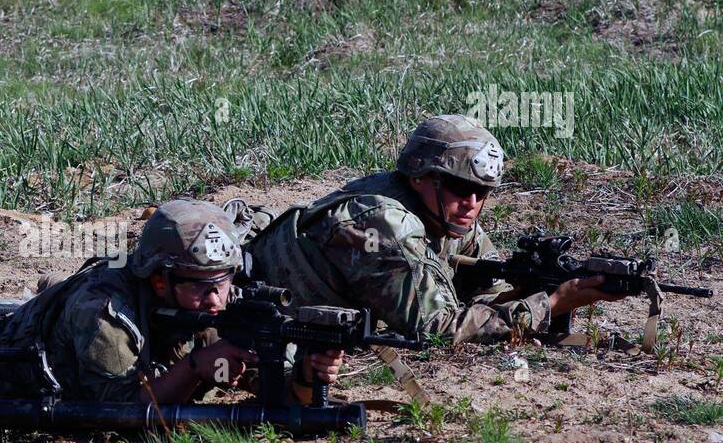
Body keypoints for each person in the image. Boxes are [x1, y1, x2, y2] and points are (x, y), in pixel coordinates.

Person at [0, 198, 344, 426]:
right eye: (200, 287)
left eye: (224, 283)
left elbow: (277, 398)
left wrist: (301, 376)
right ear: (157, 278)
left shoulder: (221, 303)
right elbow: (120, 409)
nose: (217, 301)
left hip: (18, 328)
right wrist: (199, 368)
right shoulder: (103, 310)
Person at [242, 115, 627, 344]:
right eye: (462, 188)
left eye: (483, 192)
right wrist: (552, 303)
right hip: (248, 309)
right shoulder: (386, 224)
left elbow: (483, 293)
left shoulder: (447, 215)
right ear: (419, 178)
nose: (473, 203)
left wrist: (528, 288)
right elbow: (437, 330)